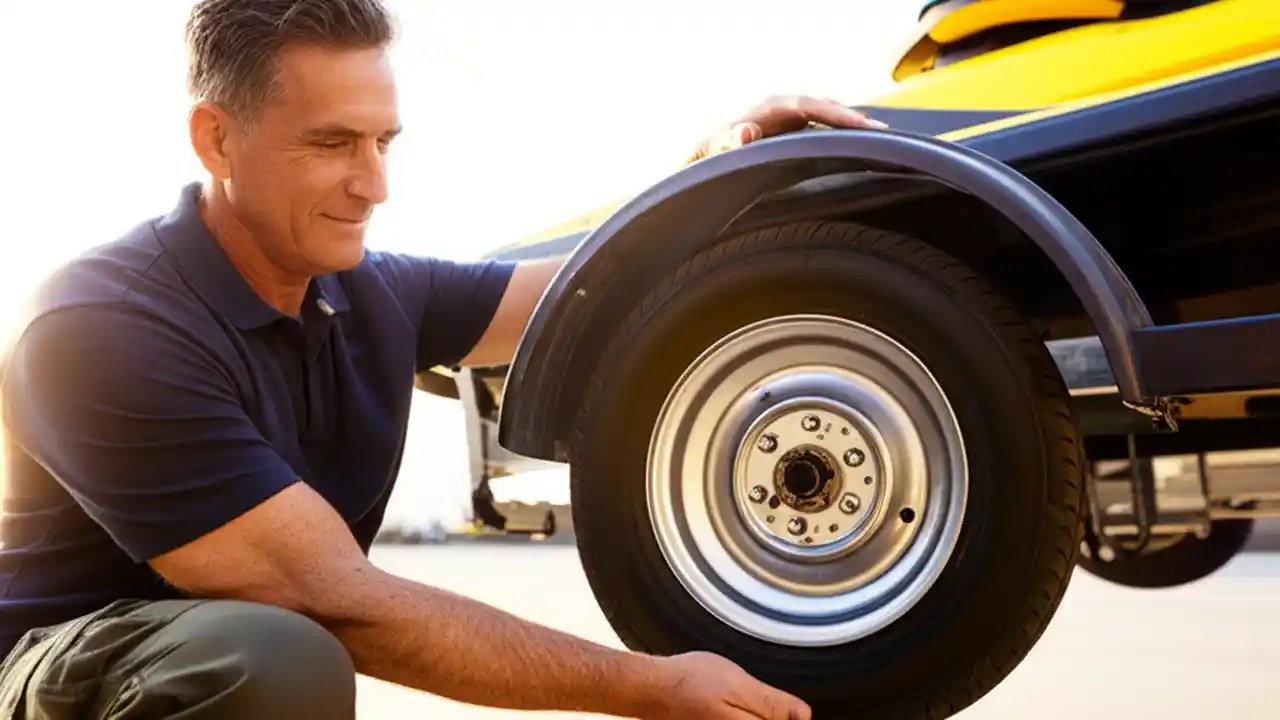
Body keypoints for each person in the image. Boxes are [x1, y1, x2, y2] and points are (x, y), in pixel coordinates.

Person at [0, 1, 884, 718]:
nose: (374, 185)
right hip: (52, 668)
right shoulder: (100, 328)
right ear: (216, 139)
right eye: (332, 143)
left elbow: (588, 291)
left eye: (382, 142)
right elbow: (326, 597)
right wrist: (650, 688)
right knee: (276, 655)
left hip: (220, 656)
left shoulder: (375, 291)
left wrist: (724, 175)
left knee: (276, 653)